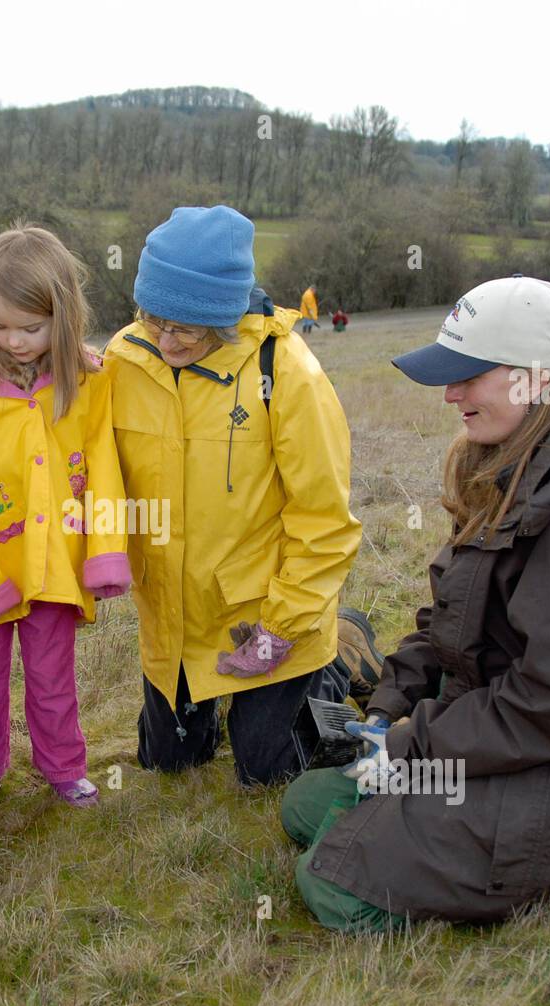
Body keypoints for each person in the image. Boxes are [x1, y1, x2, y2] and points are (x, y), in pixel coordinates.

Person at [284, 276, 550, 932]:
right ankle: (424, 836)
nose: (451, 394)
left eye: (468, 376)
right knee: (307, 808)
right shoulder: (510, 463)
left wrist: (412, 746)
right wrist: (390, 710)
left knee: (332, 884)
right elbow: (449, 618)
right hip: (487, 736)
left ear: (535, 380)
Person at [103, 205, 376, 787]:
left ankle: (343, 648)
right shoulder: (123, 356)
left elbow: (325, 521)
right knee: (170, 765)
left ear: (224, 315)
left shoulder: (286, 369)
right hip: (174, 622)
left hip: (264, 615)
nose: (165, 338)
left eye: (184, 326)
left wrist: (281, 628)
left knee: (270, 771)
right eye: (154, 319)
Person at [0, 225, 129, 814]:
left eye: (30, 328)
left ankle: (63, 766)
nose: (13, 340)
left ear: (63, 316)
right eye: (0, 325)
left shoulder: (88, 379)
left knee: (53, 679)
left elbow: (104, 465)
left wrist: (104, 551)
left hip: (55, 566)